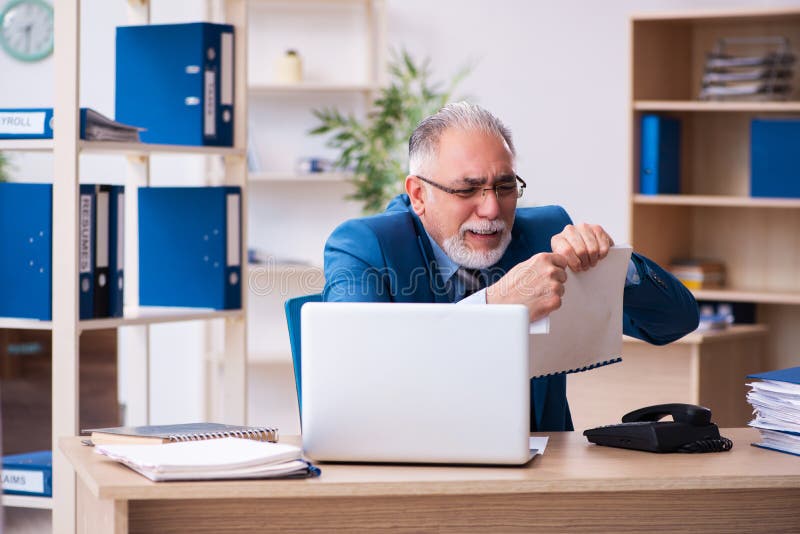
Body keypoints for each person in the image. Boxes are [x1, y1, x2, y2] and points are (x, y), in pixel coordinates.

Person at [322, 101, 698, 431]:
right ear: (419, 195)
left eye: (504, 187)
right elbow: (359, 375)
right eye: (467, 190)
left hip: (539, 477)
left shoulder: (544, 236)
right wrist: (495, 306)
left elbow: (675, 322)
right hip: (415, 468)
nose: (491, 210)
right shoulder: (364, 247)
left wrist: (615, 265)